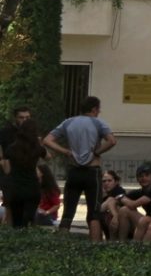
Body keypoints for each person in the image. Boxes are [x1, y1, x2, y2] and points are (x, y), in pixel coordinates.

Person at [41, 96, 116, 241]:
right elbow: (112, 141)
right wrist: (96, 152)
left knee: (68, 211)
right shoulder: (99, 123)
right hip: (92, 171)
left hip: (74, 171)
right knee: (94, 211)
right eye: (98, 109)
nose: (99, 112)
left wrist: (66, 152)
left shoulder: (68, 122)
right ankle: (94, 246)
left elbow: (47, 140)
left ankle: (61, 245)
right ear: (94, 109)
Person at [3, 118, 44, 229]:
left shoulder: (11, 148)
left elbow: (7, 170)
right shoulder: (37, 148)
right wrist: (39, 142)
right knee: (28, 221)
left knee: (17, 222)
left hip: (16, 188)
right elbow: (48, 156)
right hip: (32, 188)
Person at [113, 164, 151, 240]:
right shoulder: (140, 192)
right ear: (137, 179)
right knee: (124, 210)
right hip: (147, 223)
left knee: (126, 210)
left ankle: (128, 244)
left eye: (146, 175)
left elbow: (132, 205)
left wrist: (121, 197)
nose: (144, 178)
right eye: (141, 176)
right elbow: (118, 200)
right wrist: (115, 215)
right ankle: (121, 242)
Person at [0, 105, 32, 227]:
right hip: (9, 172)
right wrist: (2, 161)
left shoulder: (31, 133)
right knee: (10, 204)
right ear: (15, 118)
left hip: (26, 173)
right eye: (21, 117)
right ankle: (10, 231)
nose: (24, 120)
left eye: (27, 117)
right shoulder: (6, 132)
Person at [98, 169, 127, 239]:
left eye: (109, 181)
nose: (106, 183)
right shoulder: (105, 195)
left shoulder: (119, 191)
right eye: (104, 181)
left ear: (116, 182)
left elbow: (111, 202)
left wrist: (115, 216)